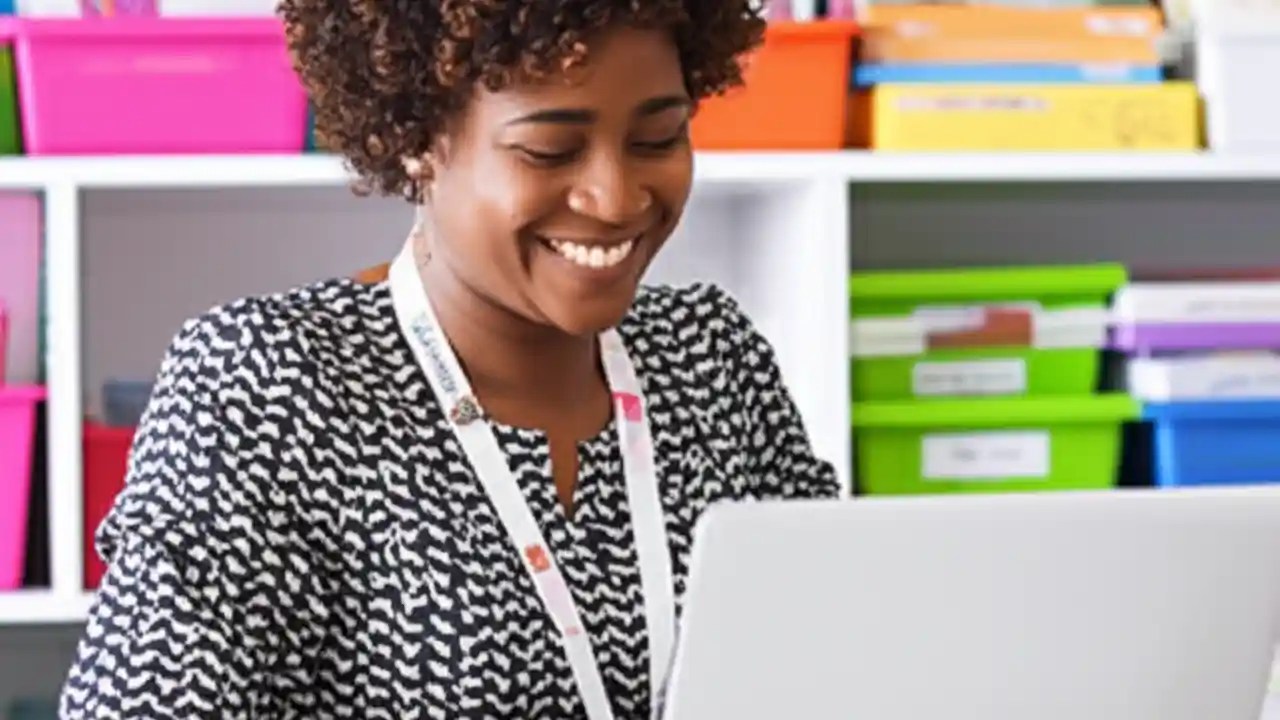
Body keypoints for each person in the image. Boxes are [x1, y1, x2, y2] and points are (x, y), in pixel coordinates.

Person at [59, 0, 839, 717]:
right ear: (418, 142)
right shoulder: (272, 384)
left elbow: (839, 658)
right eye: (549, 150)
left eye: (657, 139)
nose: (616, 197)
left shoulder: (710, 359)